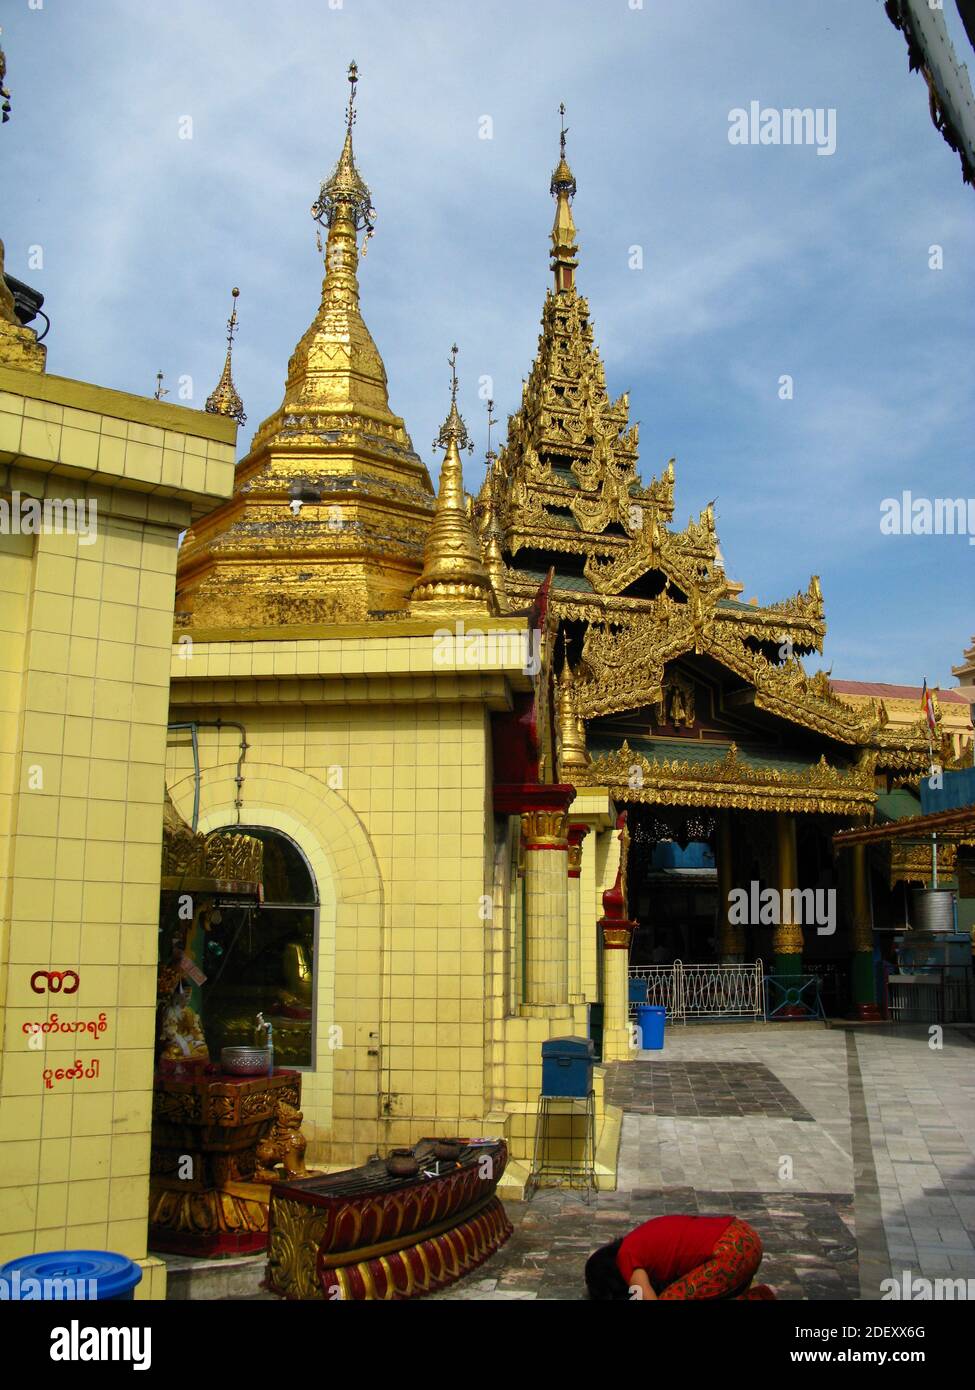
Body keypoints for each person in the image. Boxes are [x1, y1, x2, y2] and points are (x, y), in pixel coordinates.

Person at [585, 1214, 775, 1300]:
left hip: (732, 1252)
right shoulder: (636, 1239)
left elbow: (645, 1297)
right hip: (744, 1234)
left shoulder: (626, 1258)